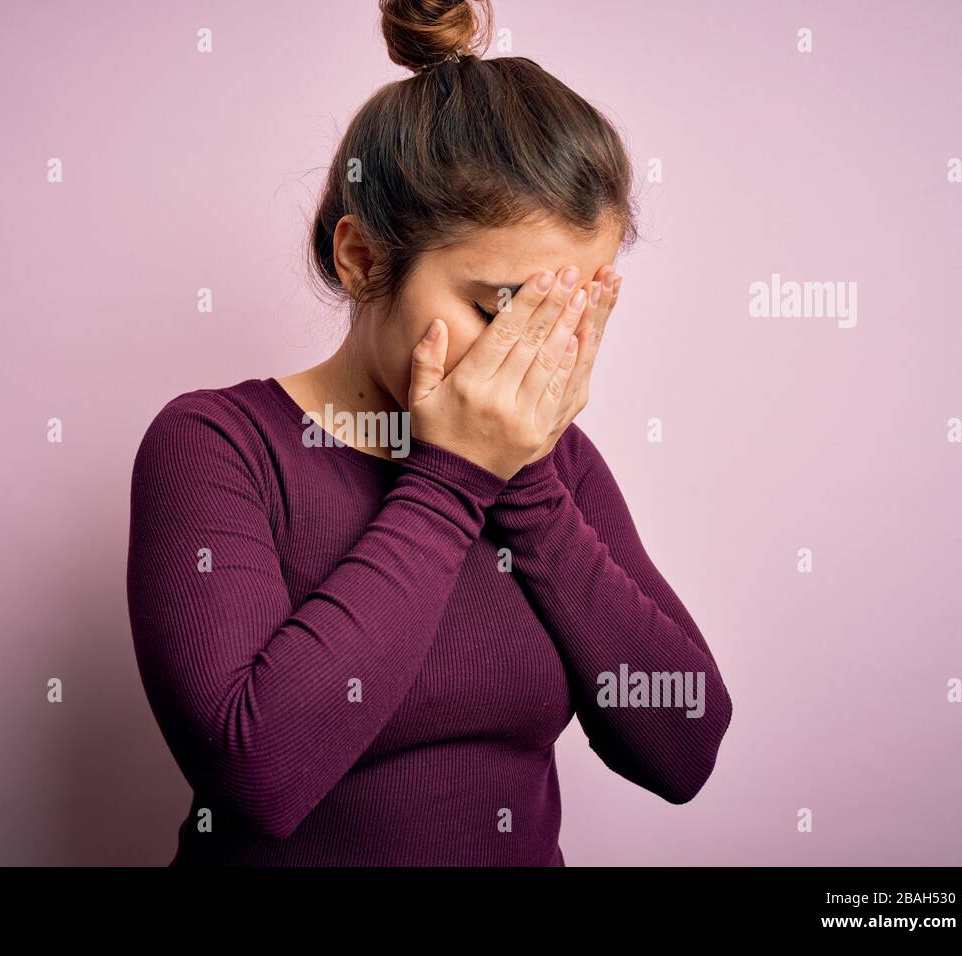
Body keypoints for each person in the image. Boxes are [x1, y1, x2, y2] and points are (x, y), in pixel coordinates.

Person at [126, 0, 733, 866]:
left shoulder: (547, 460)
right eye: (501, 309)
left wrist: (521, 481)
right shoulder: (218, 446)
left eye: (568, 313)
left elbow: (686, 747)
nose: (529, 356)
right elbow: (260, 777)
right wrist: (454, 478)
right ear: (362, 259)